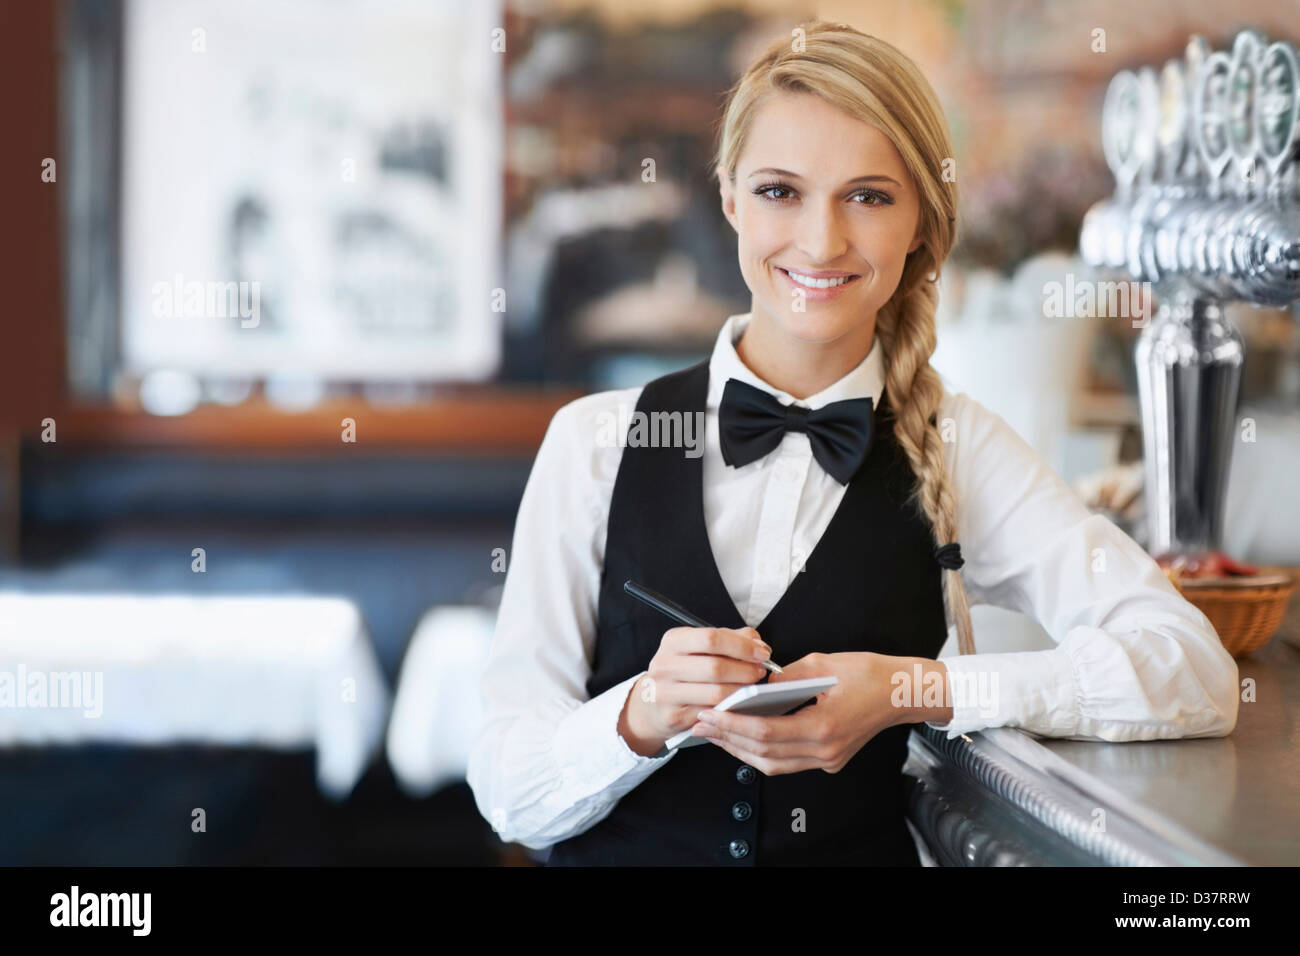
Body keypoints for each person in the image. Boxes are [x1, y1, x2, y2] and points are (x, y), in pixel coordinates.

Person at [467, 20, 1239, 866]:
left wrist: (919, 691)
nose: (822, 240)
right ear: (728, 196)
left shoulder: (958, 447)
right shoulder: (593, 444)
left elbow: (1191, 670)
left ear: (918, 222)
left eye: (868, 196)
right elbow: (510, 793)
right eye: (778, 191)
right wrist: (640, 715)